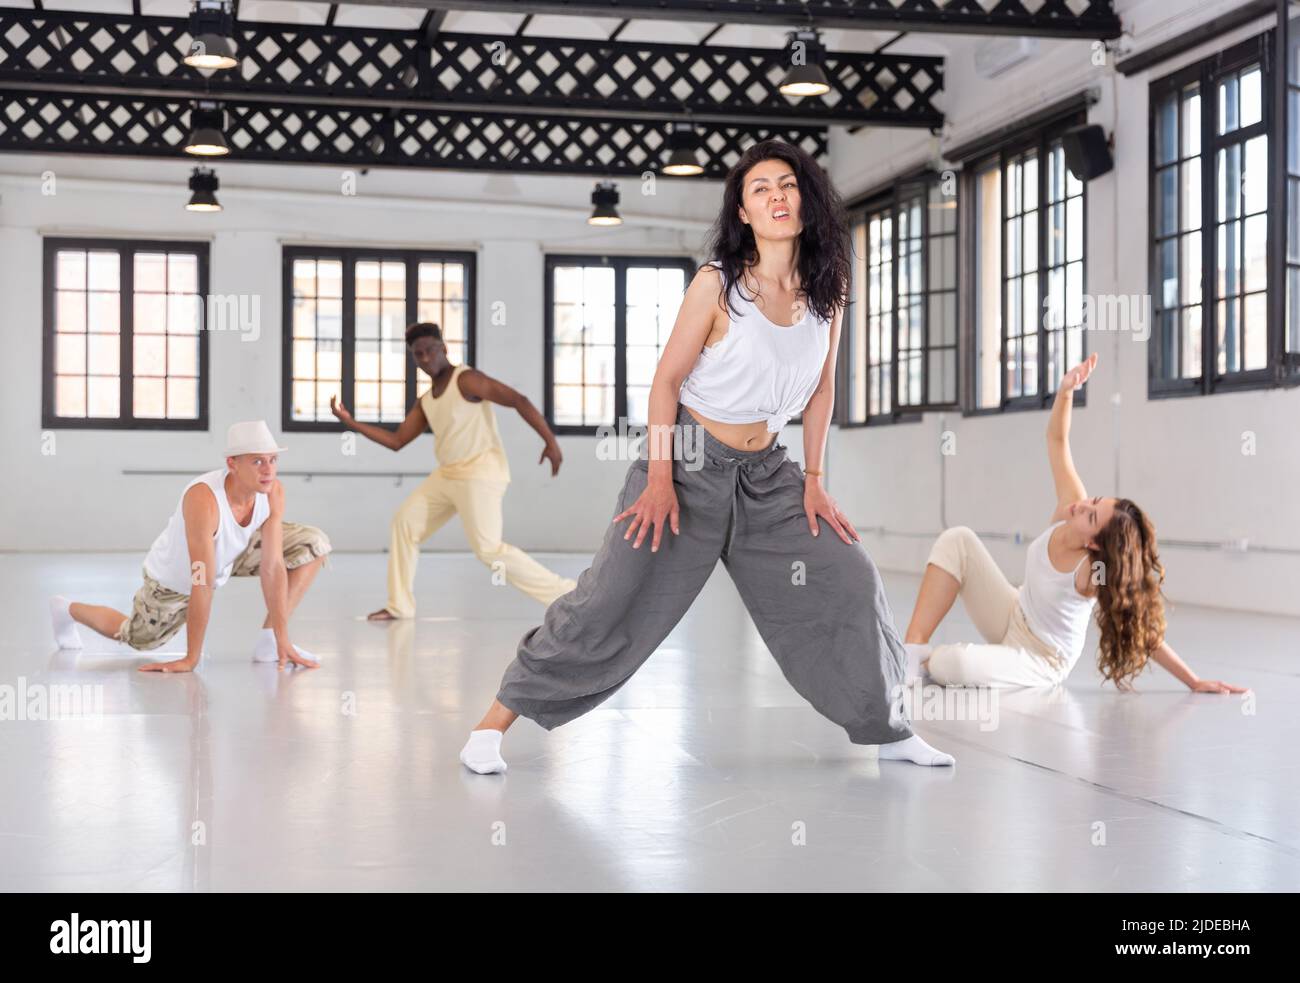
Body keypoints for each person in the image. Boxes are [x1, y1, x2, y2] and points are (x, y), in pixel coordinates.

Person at [459, 138, 955, 775]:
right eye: (760, 189)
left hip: (769, 472)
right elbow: (666, 383)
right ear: (744, 213)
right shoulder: (718, 285)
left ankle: (889, 727)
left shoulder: (828, 289)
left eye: (787, 185)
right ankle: (491, 726)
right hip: (686, 462)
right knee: (610, 601)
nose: (777, 196)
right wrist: (660, 479)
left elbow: (825, 388)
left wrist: (815, 480)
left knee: (849, 577)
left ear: (805, 199)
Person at [902, 353, 1248, 694]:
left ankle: (933, 663)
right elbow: (1057, 441)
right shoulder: (1071, 506)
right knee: (958, 539)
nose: (1081, 506)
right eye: (1093, 501)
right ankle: (910, 651)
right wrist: (1066, 391)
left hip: (1040, 657)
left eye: (1091, 515)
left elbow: (1138, 628)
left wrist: (1193, 681)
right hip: (1013, 613)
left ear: (1095, 543)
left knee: (954, 664)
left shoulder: (1090, 572)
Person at [330, 322, 576, 620]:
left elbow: (517, 400)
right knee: (404, 523)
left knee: (488, 549)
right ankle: (400, 606)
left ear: (444, 349)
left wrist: (550, 441)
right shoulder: (426, 400)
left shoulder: (467, 380)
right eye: (417, 354)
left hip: (480, 473)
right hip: (447, 476)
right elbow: (397, 441)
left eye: (429, 351)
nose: (424, 359)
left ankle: (565, 593)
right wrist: (351, 422)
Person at [48, 420, 330, 672]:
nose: (269, 470)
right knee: (137, 638)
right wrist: (190, 658)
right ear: (233, 463)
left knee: (313, 543)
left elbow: (272, 566)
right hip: (175, 579)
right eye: (257, 462)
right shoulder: (203, 499)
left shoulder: (272, 491)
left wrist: (282, 636)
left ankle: (269, 644)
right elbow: (202, 581)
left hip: (229, 554)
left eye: (272, 460)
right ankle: (67, 609)